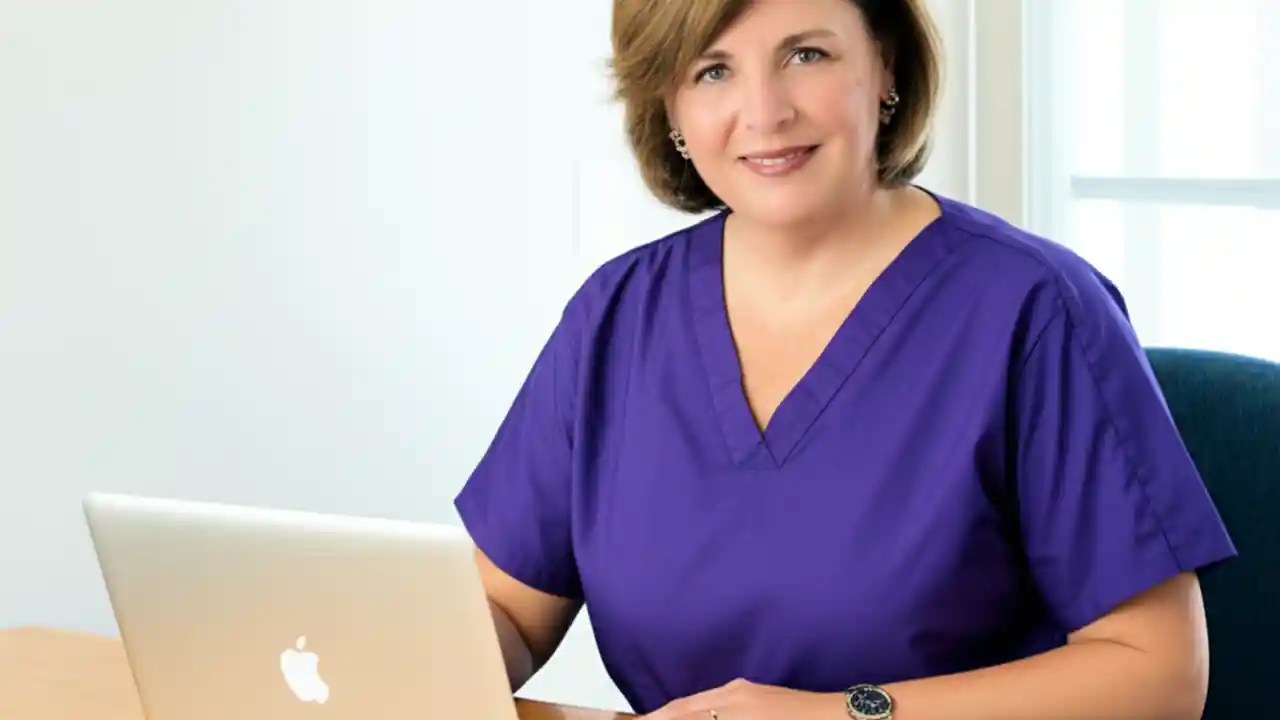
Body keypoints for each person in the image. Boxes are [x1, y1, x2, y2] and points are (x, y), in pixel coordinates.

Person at [454, 0, 1238, 718]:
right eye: (713, 70)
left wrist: (841, 716)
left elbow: (1158, 675)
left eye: (806, 56)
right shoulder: (617, 317)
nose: (765, 112)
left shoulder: (1036, 309)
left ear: (886, 67)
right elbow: (511, 612)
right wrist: (388, 655)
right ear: (672, 110)